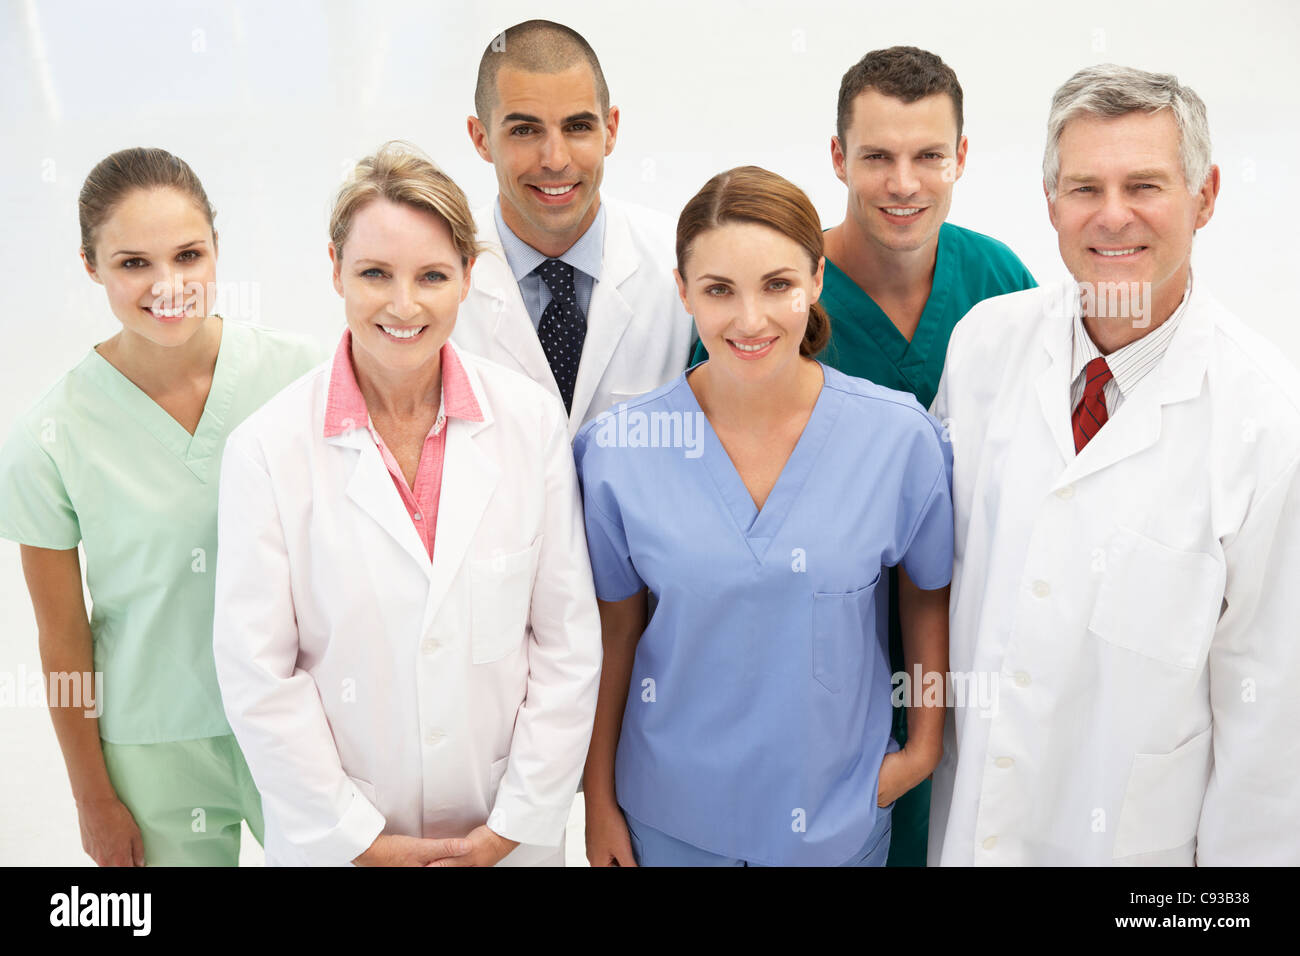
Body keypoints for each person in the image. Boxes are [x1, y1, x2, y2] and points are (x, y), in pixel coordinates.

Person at [930, 65, 1300, 865]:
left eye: (1144, 185)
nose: (1112, 216)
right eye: (1084, 188)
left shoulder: (1267, 422)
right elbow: (938, 577)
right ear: (1050, 202)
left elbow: (1270, 733)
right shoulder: (985, 346)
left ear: (1205, 197)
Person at [212, 142, 602, 867]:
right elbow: (259, 676)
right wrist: (357, 838)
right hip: (339, 844)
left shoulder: (528, 421)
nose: (403, 304)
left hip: (507, 832)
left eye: (431, 276)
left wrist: (512, 826)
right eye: (374, 274)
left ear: (468, 277)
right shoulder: (266, 451)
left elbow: (567, 645)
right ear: (335, 269)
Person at [690, 47, 1035, 866]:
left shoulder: (1001, 284)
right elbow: (710, 508)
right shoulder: (773, 297)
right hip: (813, 668)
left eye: (929, 156)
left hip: (969, 648)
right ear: (838, 156)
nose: (903, 183)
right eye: (877, 156)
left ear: (962, 157)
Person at [576, 166, 953, 867]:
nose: (750, 320)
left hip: (837, 827)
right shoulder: (618, 451)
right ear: (682, 290)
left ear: (816, 279)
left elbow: (928, 597)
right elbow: (612, 635)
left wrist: (923, 747)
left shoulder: (898, 439)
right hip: (668, 822)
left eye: (778, 285)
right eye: (719, 290)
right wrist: (599, 801)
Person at [0, 148, 325, 865]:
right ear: (91, 267)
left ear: (216, 248)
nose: (169, 286)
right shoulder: (51, 436)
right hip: (154, 749)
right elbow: (62, 640)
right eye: (133, 264)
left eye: (188, 255)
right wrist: (92, 799)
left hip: (302, 721)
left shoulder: (303, 376)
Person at [457, 19, 695, 437]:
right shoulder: (430, 278)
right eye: (524, 130)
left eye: (578, 127)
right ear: (481, 139)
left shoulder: (682, 262)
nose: (555, 159)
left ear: (611, 130)